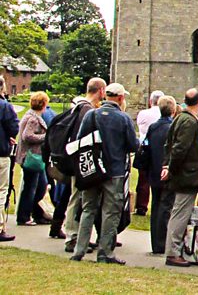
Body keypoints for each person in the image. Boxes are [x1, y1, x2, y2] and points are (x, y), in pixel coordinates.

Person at [71, 83, 138, 265]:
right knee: (110, 212)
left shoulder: (92, 114)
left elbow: (80, 140)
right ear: (121, 98)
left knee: (88, 209)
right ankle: (105, 252)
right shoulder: (123, 118)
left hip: (93, 170)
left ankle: (79, 250)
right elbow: (133, 145)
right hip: (114, 170)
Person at [162, 88, 198, 267]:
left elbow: (170, 145)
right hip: (187, 174)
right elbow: (179, 148)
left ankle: (178, 249)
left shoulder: (181, 118)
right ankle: (172, 252)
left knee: (182, 212)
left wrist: (168, 165)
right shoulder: (188, 121)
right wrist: (171, 168)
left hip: (187, 172)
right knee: (180, 213)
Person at [62, 77, 106, 253]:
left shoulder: (77, 105)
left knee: (78, 197)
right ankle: (72, 237)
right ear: (101, 91)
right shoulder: (86, 110)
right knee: (77, 197)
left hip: (75, 158)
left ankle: (77, 235)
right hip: (83, 159)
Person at [144, 95, 175, 255]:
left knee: (156, 206)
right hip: (165, 170)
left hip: (154, 171)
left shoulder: (153, 127)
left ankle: (156, 242)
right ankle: (162, 242)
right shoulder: (172, 128)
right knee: (166, 206)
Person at [15, 90, 51, 226]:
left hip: (31, 157)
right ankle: (24, 216)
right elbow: (27, 136)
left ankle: (37, 214)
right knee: (32, 187)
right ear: (43, 104)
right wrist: (45, 137)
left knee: (40, 186)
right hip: (32, 157)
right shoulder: (33, 119)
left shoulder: (29, 115)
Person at [134, 90, 164, 215]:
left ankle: (141, 206)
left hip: (145, 148)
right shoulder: (164, 115)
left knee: (143, 180)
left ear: (150, 101)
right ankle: (159, 206)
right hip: (160, 149)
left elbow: (140, 126)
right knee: (160, 178)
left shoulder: (143, 113)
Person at [0, 76, 19, 242]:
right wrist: (9, 136)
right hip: (1, 153)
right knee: (1, 191)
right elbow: (13, 127)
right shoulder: (4, 106)